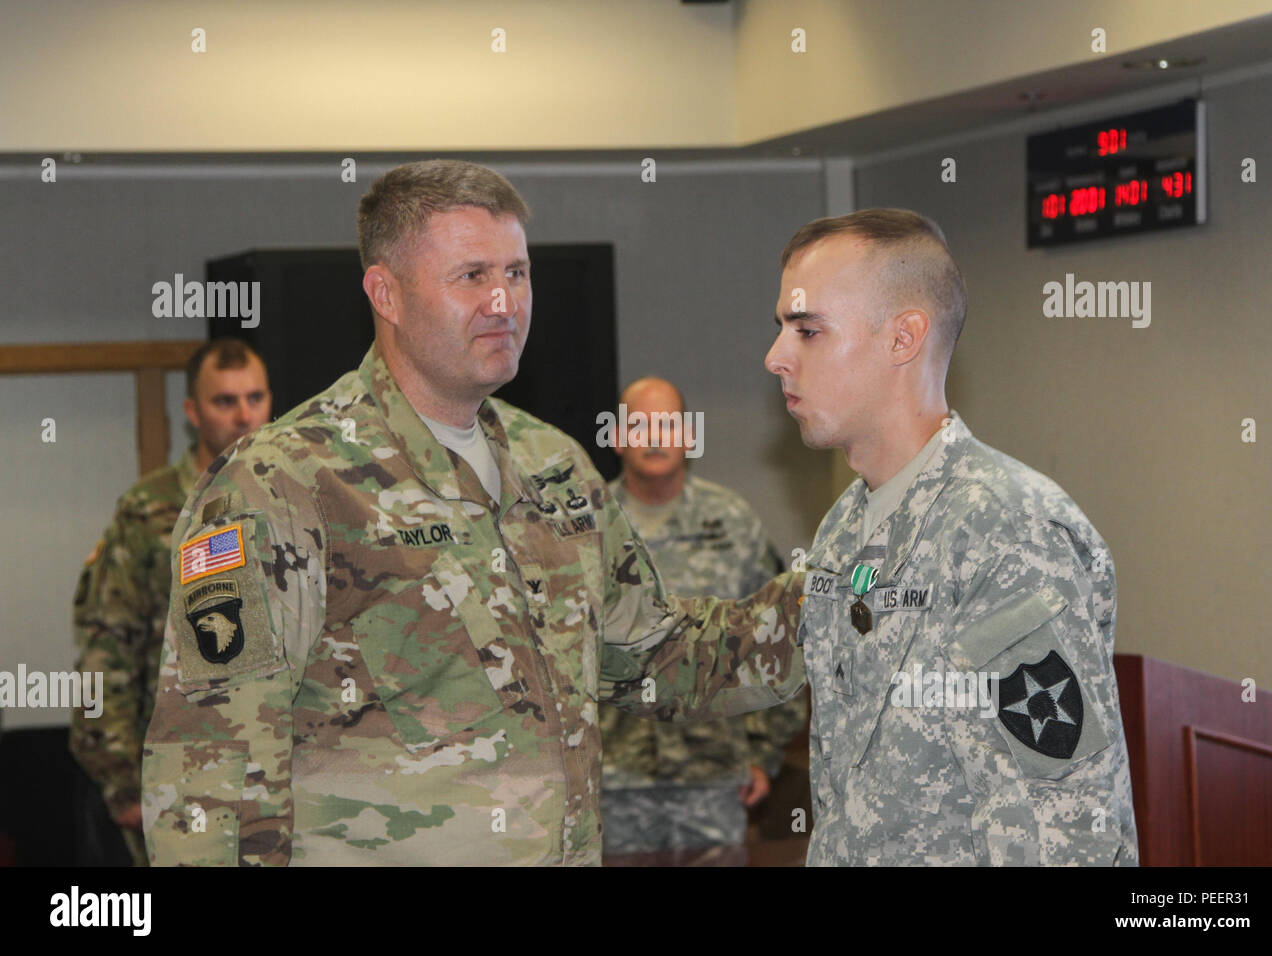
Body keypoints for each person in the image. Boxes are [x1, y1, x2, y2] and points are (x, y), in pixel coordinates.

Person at [140, 160, 805, 866]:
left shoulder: (555, 467)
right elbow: (208, 774)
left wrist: (833, 596)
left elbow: (658, 655)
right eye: (471, 276)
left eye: (516, 273)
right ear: (386, 294)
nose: (503, 302)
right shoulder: (280, 484)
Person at [766, 209, 1137, 865]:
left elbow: (1065, 829)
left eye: (808, 331)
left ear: (903, 337)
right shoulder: (844, 527)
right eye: (782, 329)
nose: (777, 357)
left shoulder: (1006, 530)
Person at [70, 339, 271, 865]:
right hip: (179, 777)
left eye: (255, 397)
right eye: (225, 401)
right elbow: (105, 647)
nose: (244, 415)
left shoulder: (294, 501)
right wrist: (121, 784)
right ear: (192, 412)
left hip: (278, 775)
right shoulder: (150, 511)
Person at [599, 376, 808, 866]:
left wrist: (763, 751)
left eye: (669, 425)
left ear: (689, 437)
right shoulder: (588, 524)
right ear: (616, 437)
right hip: (613, 781)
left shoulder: (732, 522)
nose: (655, 438)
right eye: (639, 425)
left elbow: (782, 635)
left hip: (714, 778)